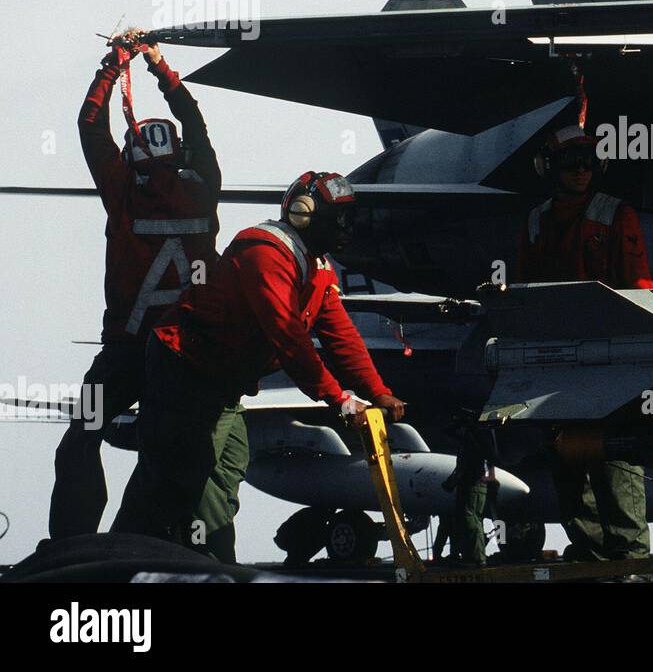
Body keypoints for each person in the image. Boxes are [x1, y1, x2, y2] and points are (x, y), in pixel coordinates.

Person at [113, 171, 405, 562]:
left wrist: (378, 390)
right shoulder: (265, 253)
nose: (346, 229)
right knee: (179, 476)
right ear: (304, 214)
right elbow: (290, 339)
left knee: (225, 468)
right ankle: (117, 561)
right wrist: (338, 401)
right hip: (184, 371)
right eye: (339, 220)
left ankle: (209, 564)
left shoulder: (316, 269)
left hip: (221, 383)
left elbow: (340, 335)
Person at [50, 32, 220, 540]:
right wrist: (159, 66)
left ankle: (76, 546)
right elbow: (196, 123)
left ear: (134, 157)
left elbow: (88, 125)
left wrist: (112, 67)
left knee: (82, 439)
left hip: (127, 351)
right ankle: (165, 545)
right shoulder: (204, 187)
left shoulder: (123, 191)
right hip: (187, 356)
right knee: (178, 455)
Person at [514, 125, 653, 563]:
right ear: (550, 169)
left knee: (612, 456)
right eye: (571, 165)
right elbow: (523, 289)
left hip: (611, 357)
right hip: (557, 360)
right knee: (567, 457)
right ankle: (594, 556)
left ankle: (629, 559)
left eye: (587, 165)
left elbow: (639, 286)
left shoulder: (616, 214)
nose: (580, 173)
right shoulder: (537, 220)